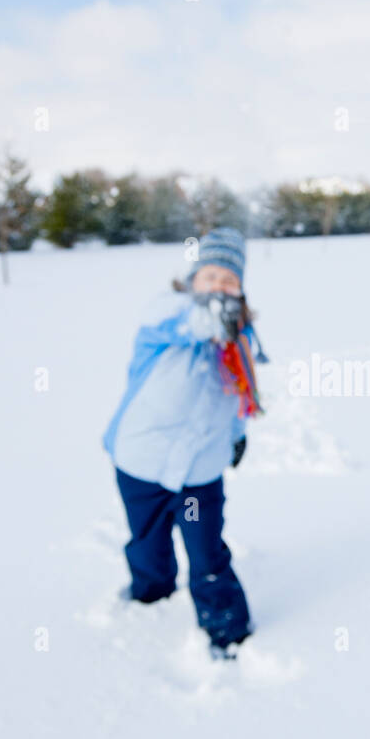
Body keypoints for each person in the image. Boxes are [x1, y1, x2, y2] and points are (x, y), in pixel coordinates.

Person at [101, 227, 267, 658]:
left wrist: (235, 437)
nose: (219, 286)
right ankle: (151, 593)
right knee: (148, 540)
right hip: (142, 463)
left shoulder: (239, 341)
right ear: (191, 280)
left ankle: (227, 628)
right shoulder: (166, 316)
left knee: (207, 550)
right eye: (210, 276)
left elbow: (236, 397)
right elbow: (185, 322)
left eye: (229, 280)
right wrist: (211, 318)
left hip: (199, 473)